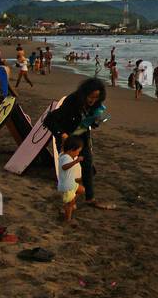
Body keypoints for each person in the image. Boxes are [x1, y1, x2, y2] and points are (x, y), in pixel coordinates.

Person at [43, 77, 114, 210]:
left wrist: (95, 122)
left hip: (82, 138)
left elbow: (88, 122)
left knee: (87, 165)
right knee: (67, 171)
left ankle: (90, 198)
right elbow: (50, 120)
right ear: (84, 93)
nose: (93, 100)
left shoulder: (95, 105)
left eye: (96, 97)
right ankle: (69, 202)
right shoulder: (72, 101)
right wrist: (62, 134)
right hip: (66, 140)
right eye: (91, 96)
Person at [58, 134, 85, 221]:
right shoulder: (66, 157)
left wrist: (64, 141)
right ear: (71, 150)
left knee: (81, 190)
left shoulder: (64, 154)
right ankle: (67, 219)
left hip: (72, 184)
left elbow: (62, 148)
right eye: (77, 151)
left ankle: (70, 202)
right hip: (67, 186)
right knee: (70, 204)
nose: (78, 153)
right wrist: (76, 161)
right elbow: (64, 167)